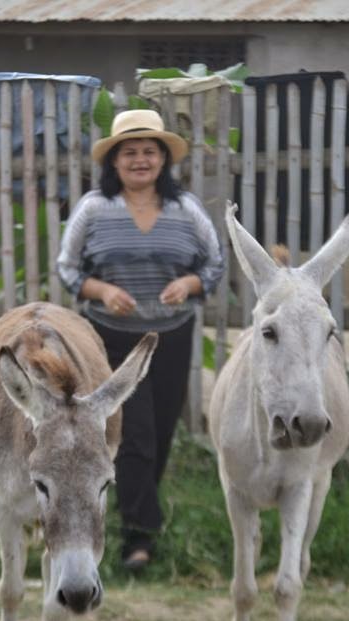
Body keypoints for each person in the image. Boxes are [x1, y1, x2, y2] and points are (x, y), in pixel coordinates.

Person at [57, 109, 225, 571]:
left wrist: (189, 285)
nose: (139, 160)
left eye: (149, 151)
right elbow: (68, 268)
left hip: (171, 336)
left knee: (162, 434)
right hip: (109, 338)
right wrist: (103, 290)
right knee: (135, 436)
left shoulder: (186, 210)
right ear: (114, 162)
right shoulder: (94, 209)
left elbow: (214, 263)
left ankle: (130, 514)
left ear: (163, 160)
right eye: (129, 152)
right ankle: (139, 541)